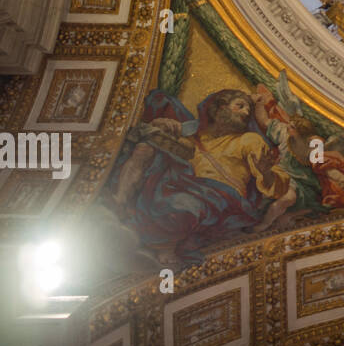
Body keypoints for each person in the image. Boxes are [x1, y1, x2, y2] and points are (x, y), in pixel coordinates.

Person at [111, 88, 299, 263]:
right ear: (219, 109)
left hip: (223, 199)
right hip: (185, 186)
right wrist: (160, 125)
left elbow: (277, 186)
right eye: (240, 106)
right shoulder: (197, 137)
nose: (245, 113)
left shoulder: (249, 140)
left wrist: (266, 173)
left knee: (186, 204)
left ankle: (166, 247)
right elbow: (170, 143)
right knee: (146, 149)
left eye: (248, 110)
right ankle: (120, 202)